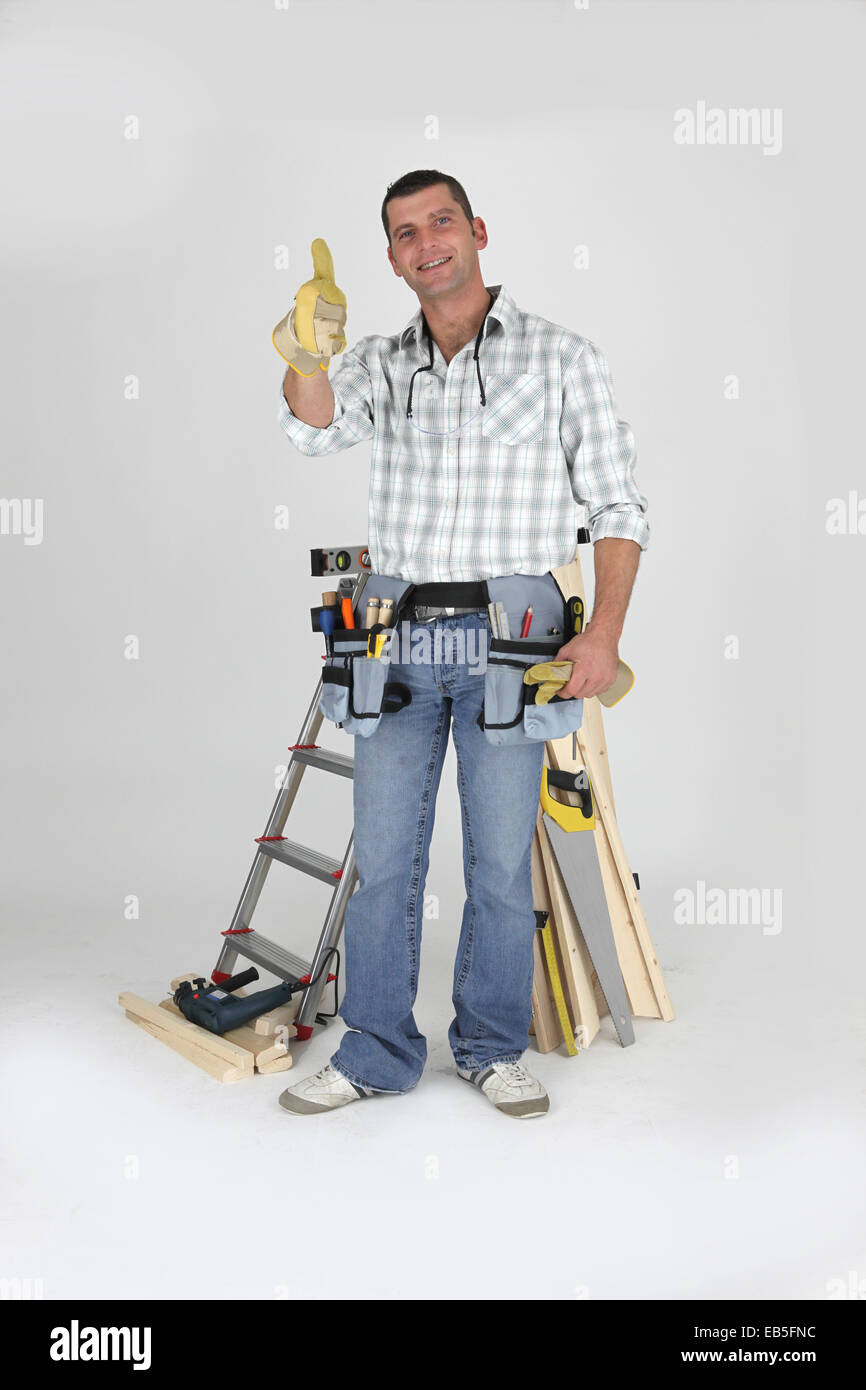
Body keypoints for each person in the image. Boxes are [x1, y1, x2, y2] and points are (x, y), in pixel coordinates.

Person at [273, 169, 649, 1119]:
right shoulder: (375, 360)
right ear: (393, 258)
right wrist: (302, 350)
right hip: (391, 637)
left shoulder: (562, 357)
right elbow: (312, 428)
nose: (426, 241)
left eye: (441, 221)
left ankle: (489, 1045)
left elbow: (618, 506)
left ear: (476, 231)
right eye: (404, 232)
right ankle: (375, 1053)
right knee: (388, 860)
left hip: (512, 641)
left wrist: (603, 632)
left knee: (494, 863)